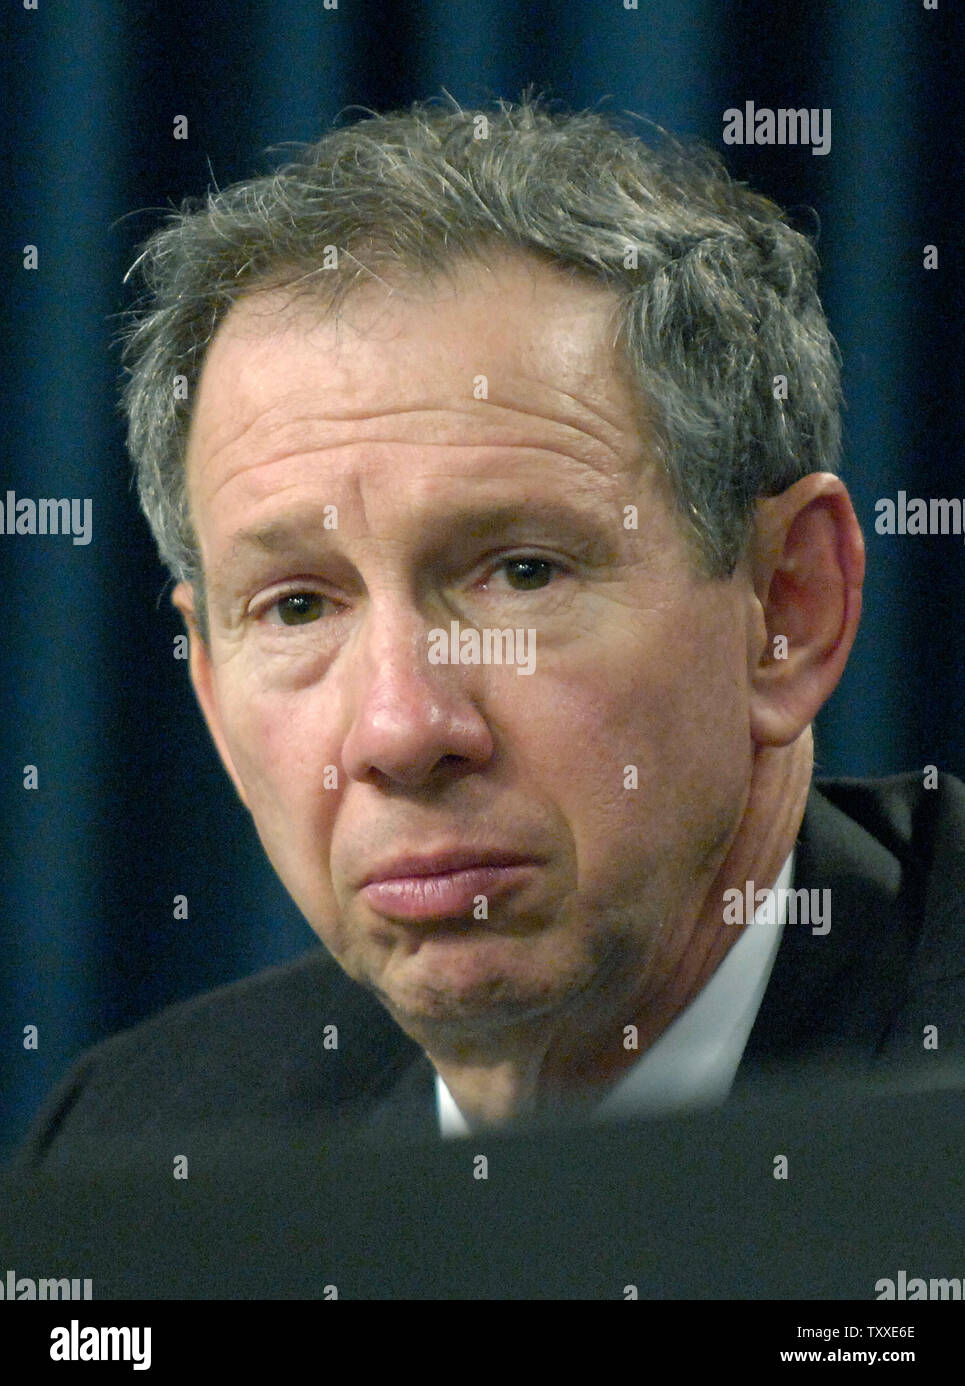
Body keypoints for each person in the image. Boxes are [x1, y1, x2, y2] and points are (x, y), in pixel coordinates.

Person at [17, 95, 965, 1166]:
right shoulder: (133, 1155)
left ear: (787, 610)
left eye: (520, 572)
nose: (398, 729)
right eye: (296, 606)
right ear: (212, 701)